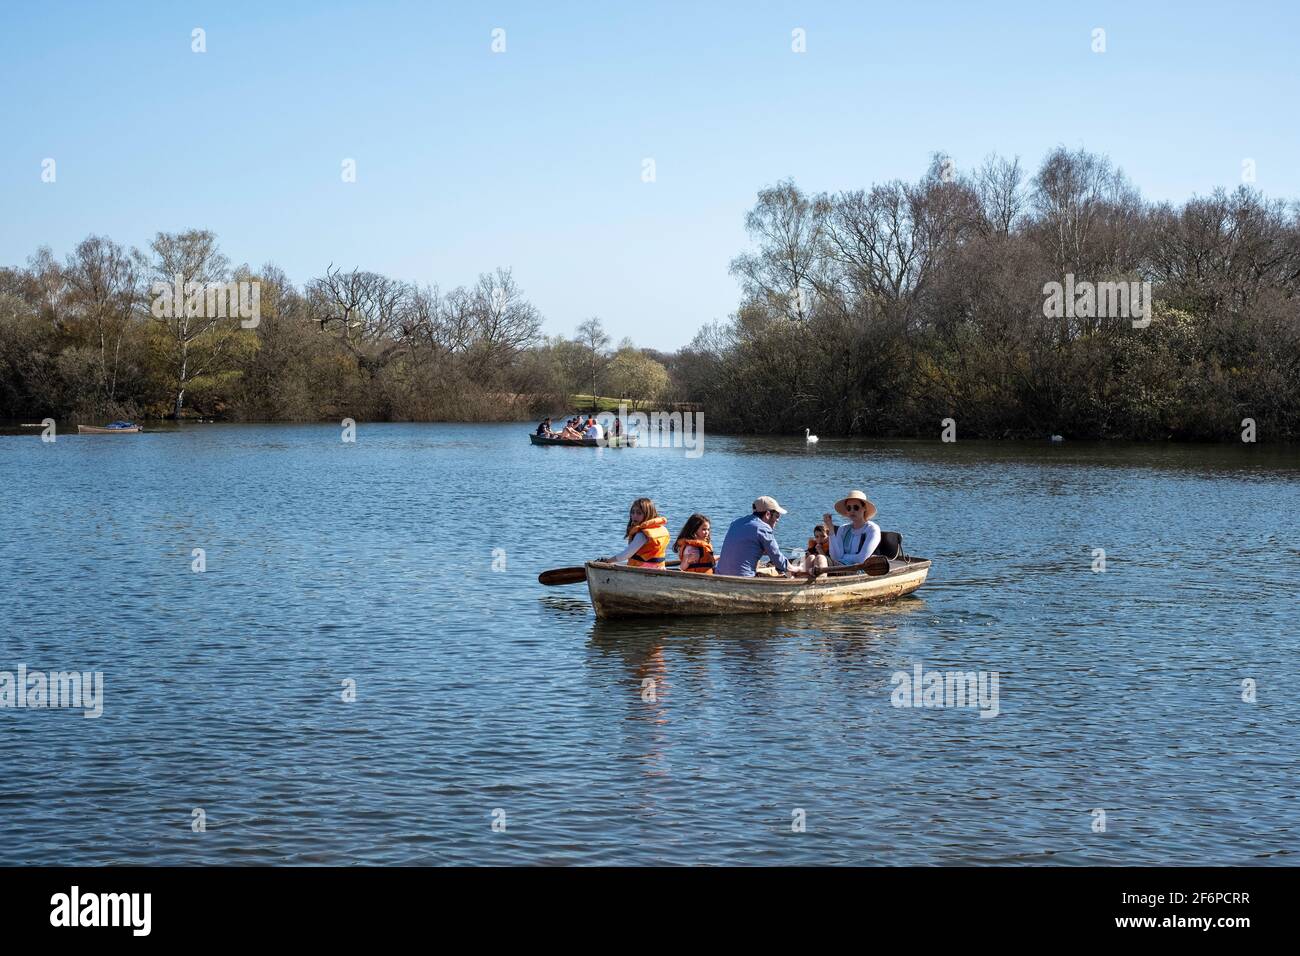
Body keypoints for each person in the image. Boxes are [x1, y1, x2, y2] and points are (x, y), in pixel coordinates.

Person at [715, 496, 791, 578]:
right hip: (744, 579)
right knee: (789, 574)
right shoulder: (763, 528)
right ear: (768, 514)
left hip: (720, 575)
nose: (777, 520)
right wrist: (796, 569)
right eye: (777, 516)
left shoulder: (735, 523)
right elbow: (777, 559)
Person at [601, 497, 670, 568]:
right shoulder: (660, 529)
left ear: (648, 514)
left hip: (645, 570)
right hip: (659, 568)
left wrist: (607, 561)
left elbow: (626, 555)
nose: (634, 516)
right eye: (632, 512)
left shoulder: (642, 535)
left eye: (639, 513)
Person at [823, 490, 881, 568]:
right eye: (849, 508)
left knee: (820, 560)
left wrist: (843, 556)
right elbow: (835, 556)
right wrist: (831, 530)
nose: (852, 511)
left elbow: (862, 559)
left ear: (864, 509)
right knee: (812, 558)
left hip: (858, 570)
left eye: (856, 507)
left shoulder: (872, 529)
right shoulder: (843, 529)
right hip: (839, 567)